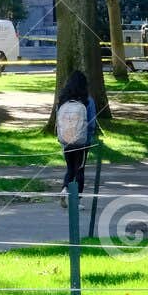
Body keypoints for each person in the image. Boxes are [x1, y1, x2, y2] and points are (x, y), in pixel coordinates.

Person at [55, 70, 97, 206]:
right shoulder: (88, 100)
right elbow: (91, 122)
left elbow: (58, 120)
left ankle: (64, 188)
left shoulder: (62, 100)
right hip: (82, 140)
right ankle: (76, 200)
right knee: (80, 169)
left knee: (70, 168)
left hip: (66, 139)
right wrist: (90, 137)